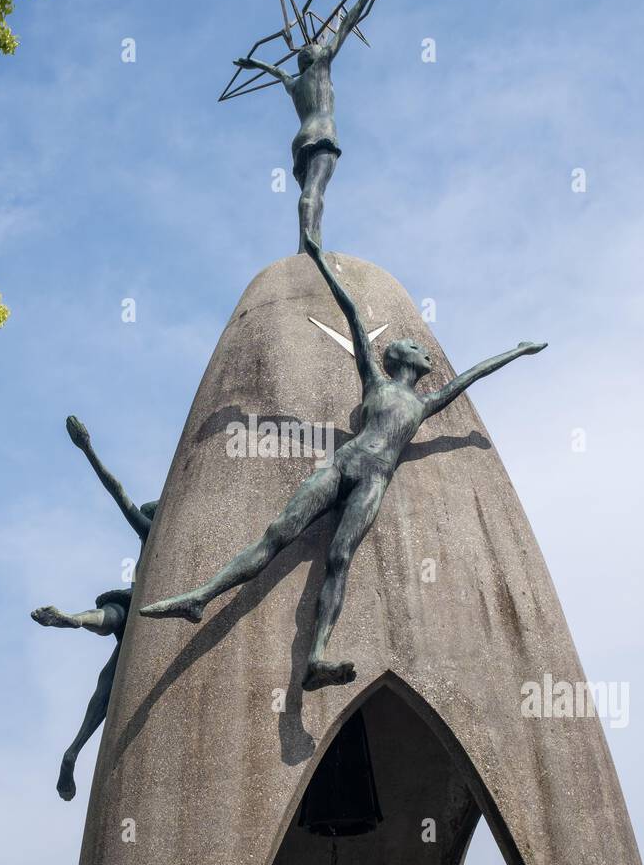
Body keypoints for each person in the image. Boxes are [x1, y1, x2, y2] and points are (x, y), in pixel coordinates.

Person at [141, 236, 546, 691]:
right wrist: (317, 260)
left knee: (338, 557)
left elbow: (472, 375)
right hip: (344, 465)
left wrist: (517, 350)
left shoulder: (426, 402)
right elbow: (353, 313)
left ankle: (316, 658)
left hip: (374, 480)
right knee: (278, 533)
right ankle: (200, 596)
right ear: (399, 358)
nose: (425, 349)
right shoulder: (376, 381)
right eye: (415, 345)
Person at [31, 416, 156, 798]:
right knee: (106, 678)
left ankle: (72, 752)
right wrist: (88, 448)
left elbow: (118, 491)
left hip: (133, 607)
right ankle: (72, 751)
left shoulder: (149, 531)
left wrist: (87, 448)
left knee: (107, 638)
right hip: (149, 604)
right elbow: (117, 490)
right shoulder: (156, 529)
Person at [233, 0, 392, 253]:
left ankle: (308, 237)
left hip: (299, 140)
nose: (320, 43)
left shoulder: (294, 84)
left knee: (310, 191)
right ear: (314, 56)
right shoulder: (322, 65)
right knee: (315, 191)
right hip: (323, 132)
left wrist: (252, 63)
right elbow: (347, 23)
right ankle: (307, 243)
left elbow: (276, 72)